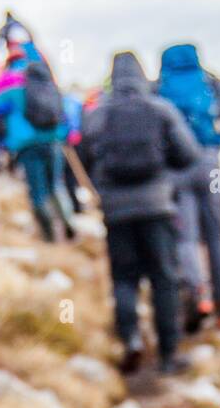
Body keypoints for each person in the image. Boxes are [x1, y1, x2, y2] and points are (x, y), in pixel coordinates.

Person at [78, 51, 200, 376]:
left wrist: (103, 188)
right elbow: (189, 155)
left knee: (124, 278)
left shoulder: (98, 114)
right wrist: (167, 177)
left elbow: (83, 158)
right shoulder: (160, 109)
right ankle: (168, 355)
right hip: (157, 207)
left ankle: (131, 339)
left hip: (116, 211)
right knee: (164, 279)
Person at [157, 43, 220, 329]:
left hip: (177, 169)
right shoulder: (212, 82)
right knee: (215, 236)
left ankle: (197, 294)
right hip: (210, 165)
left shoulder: (160, 86)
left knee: (186, 238)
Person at [0, 58, 76, 241]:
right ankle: (69, 226)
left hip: (28, 148)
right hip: (54, 145)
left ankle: (49, 236)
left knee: (37, 193)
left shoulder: (16, 94)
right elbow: (67, 122)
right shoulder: (55, 93)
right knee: (55, 186)